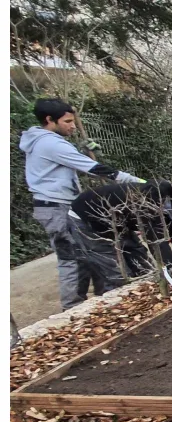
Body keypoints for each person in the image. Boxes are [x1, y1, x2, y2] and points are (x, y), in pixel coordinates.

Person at [20, 97, 146, 310]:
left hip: (58, 204)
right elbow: (94, 169)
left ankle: (103, 298)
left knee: (89, 254)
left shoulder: (42, 141)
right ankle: (72, 308)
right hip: (57, 207)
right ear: (49, 120)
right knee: (72, 258)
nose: (72, 126)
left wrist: (82, 151)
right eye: (67, 121)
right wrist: (137, 182)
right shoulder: (50, 143)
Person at [71, 180, 172, 291]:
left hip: (120, 220)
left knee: (141, 263)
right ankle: (113, 303)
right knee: (113, 269)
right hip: (88, 218)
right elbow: (156, 239)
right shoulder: (148, 202)